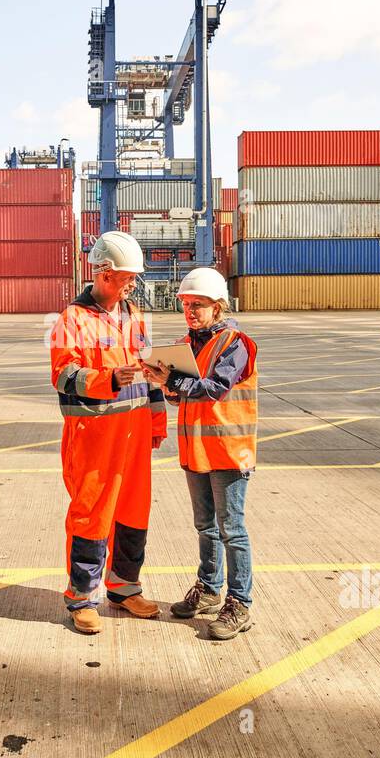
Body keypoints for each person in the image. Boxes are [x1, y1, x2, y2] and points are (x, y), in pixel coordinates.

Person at [48, 231, 168, 634]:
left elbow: (150, 374)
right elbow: (65, 376)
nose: (132, 283)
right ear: (101, 272)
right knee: (92, 515)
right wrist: (110, 378)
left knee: (134, 513)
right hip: (95, 438)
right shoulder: (72, 319)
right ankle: (82, 598)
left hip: (134, 437)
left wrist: (156, 421)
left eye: (134, 277)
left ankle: (123, 588)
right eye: (125, 276)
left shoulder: (134, 315)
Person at [143, 267, 258, 641]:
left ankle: (239, 603)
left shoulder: (236, 344)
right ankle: (209, 589)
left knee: (233, 530)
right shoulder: (184, 344)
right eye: (186, 305)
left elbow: (214, 388)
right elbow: (185, 396)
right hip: (196, 451)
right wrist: (165, 385)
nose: (191, 311)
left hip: (228, 451)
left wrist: (173, 381)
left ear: (218, 306)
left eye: (199, 305)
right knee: (205, 526)